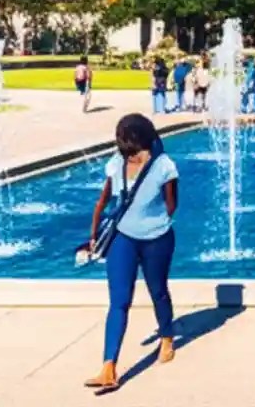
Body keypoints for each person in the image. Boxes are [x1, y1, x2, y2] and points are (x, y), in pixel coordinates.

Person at [84, 114, 179, 391]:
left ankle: (167, 335)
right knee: (119, 301)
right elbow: (103, 201)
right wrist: (94, 235)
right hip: (122, 238)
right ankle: (108, 366)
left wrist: (153, 222)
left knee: (158, 291)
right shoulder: (116, 164)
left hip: (157, 239)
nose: (130, 154)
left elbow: (172, 204)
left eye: (132, 148)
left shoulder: (164, 166)